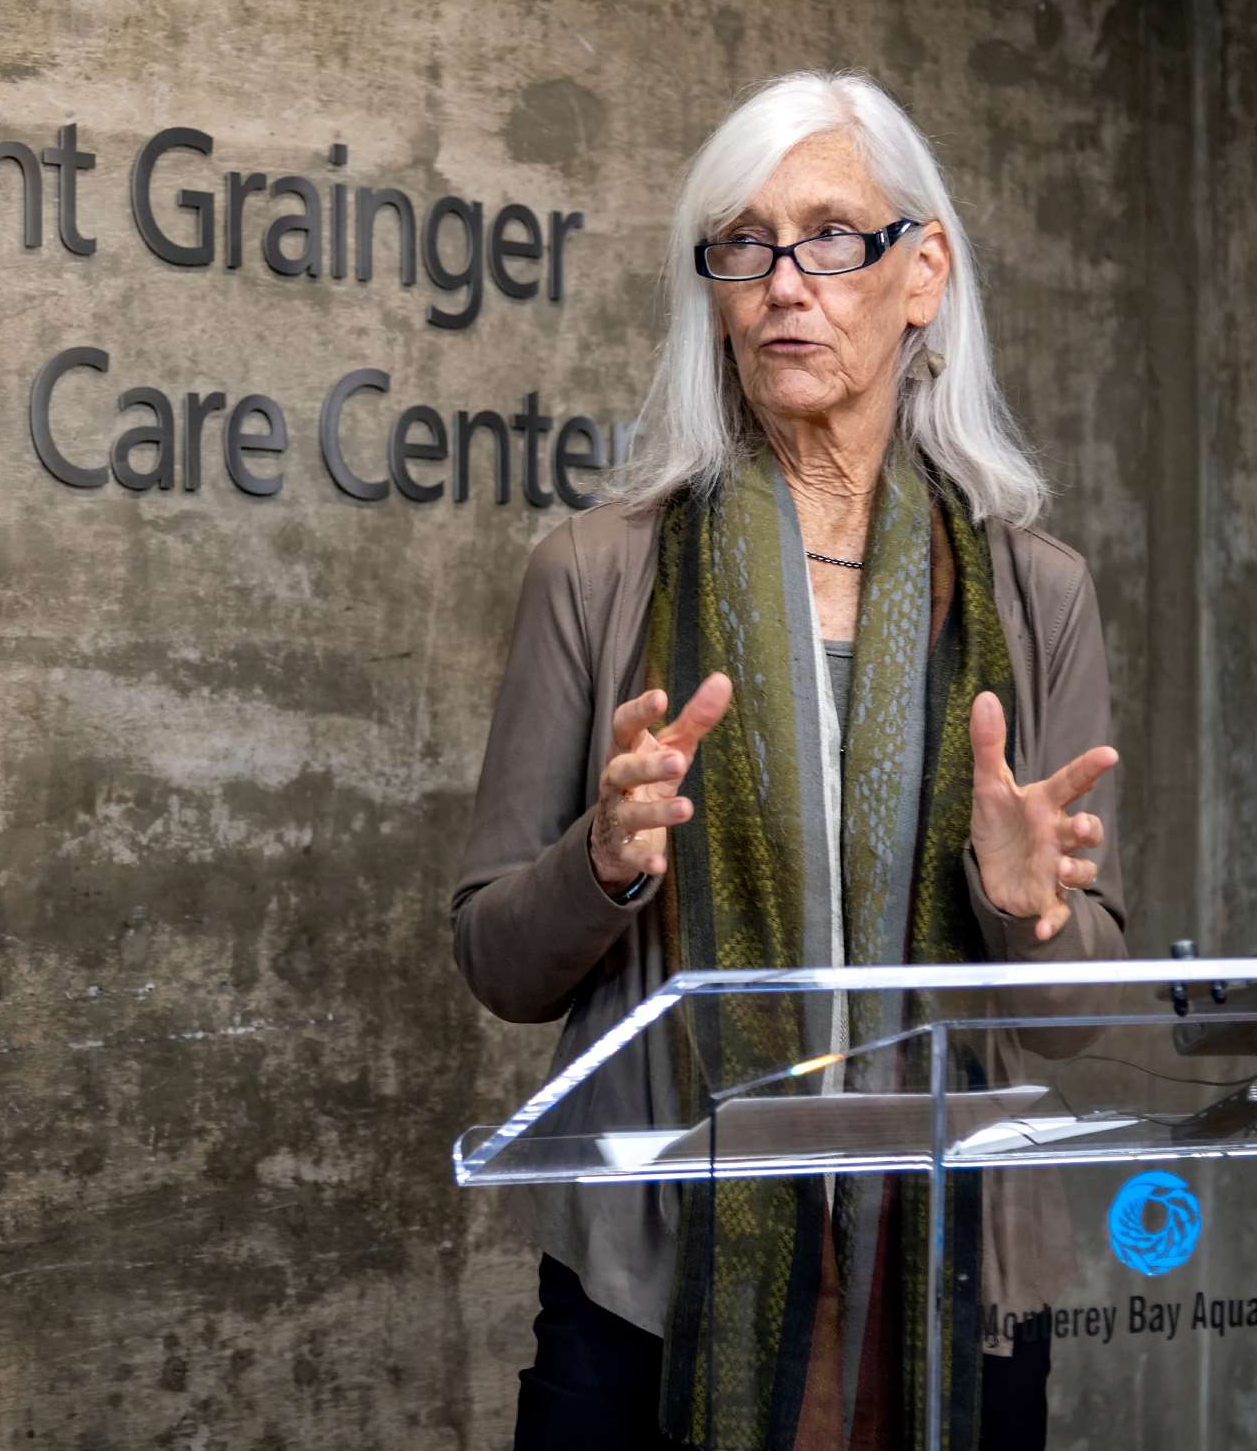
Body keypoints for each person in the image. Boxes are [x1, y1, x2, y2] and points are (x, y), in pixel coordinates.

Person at [450, 70, 1129, 1451]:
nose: (781, 285)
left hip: (953, 1277)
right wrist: (602, 860)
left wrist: (1024, 908)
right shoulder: (597, 575)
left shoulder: (1035, 592)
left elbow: (1077, 1021)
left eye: (829, 237)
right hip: (649, 1286)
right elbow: (497, 963)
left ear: (923, 273)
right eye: (744, 245)